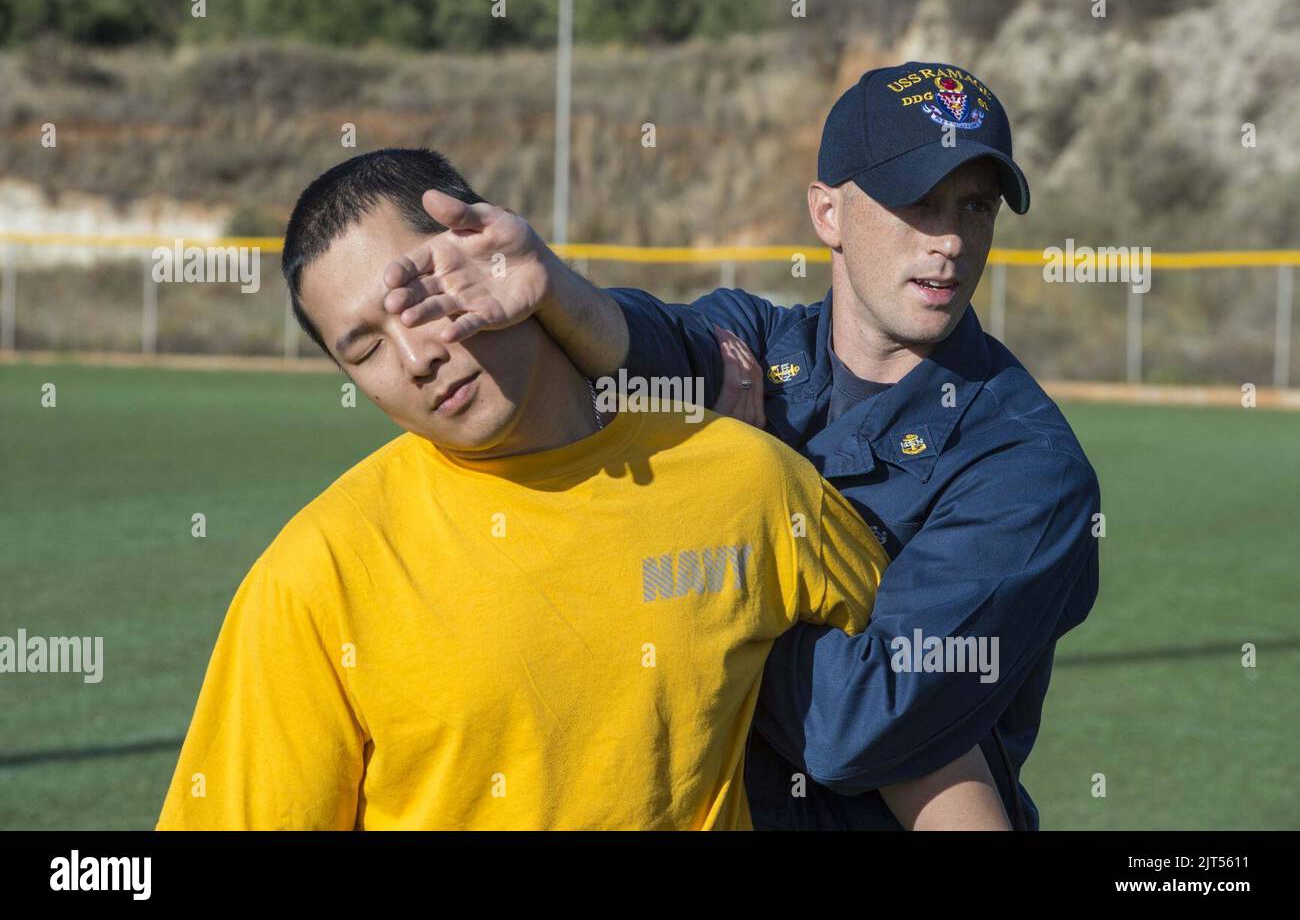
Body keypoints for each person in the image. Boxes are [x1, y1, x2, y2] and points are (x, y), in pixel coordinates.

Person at [156, 148, 1011, 830]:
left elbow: (921, 735)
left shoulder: (747, 479)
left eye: (416, 300)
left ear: (490, 251)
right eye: (364, 349)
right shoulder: (315, 576)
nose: (414, 357)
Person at [379, 62, 1102, 829]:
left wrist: (726, 504)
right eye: (919, 202)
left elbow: (857, 724)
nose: (951, 240)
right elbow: (644, 349)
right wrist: (553, 286)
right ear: (827, 214)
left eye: (976, 205)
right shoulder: (756, 339)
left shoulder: (1028, 468)